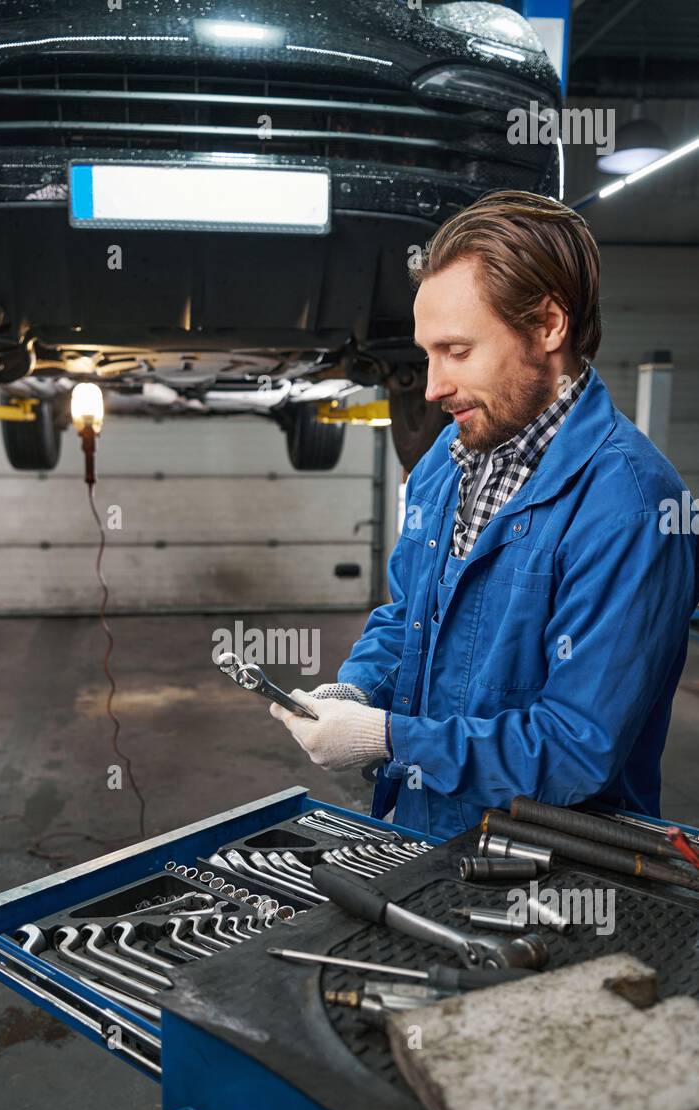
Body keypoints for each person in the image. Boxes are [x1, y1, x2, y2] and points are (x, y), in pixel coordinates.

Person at [270, 190, 699, 840]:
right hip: (422, 833)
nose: (433, 385)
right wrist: (358, 691)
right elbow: (408, 615)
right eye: (426, 354)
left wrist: (389, 738)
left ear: (548, 326)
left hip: (555, 871)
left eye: (458, 351)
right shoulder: (451, 455)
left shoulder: (632, 507)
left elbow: (574, 750)